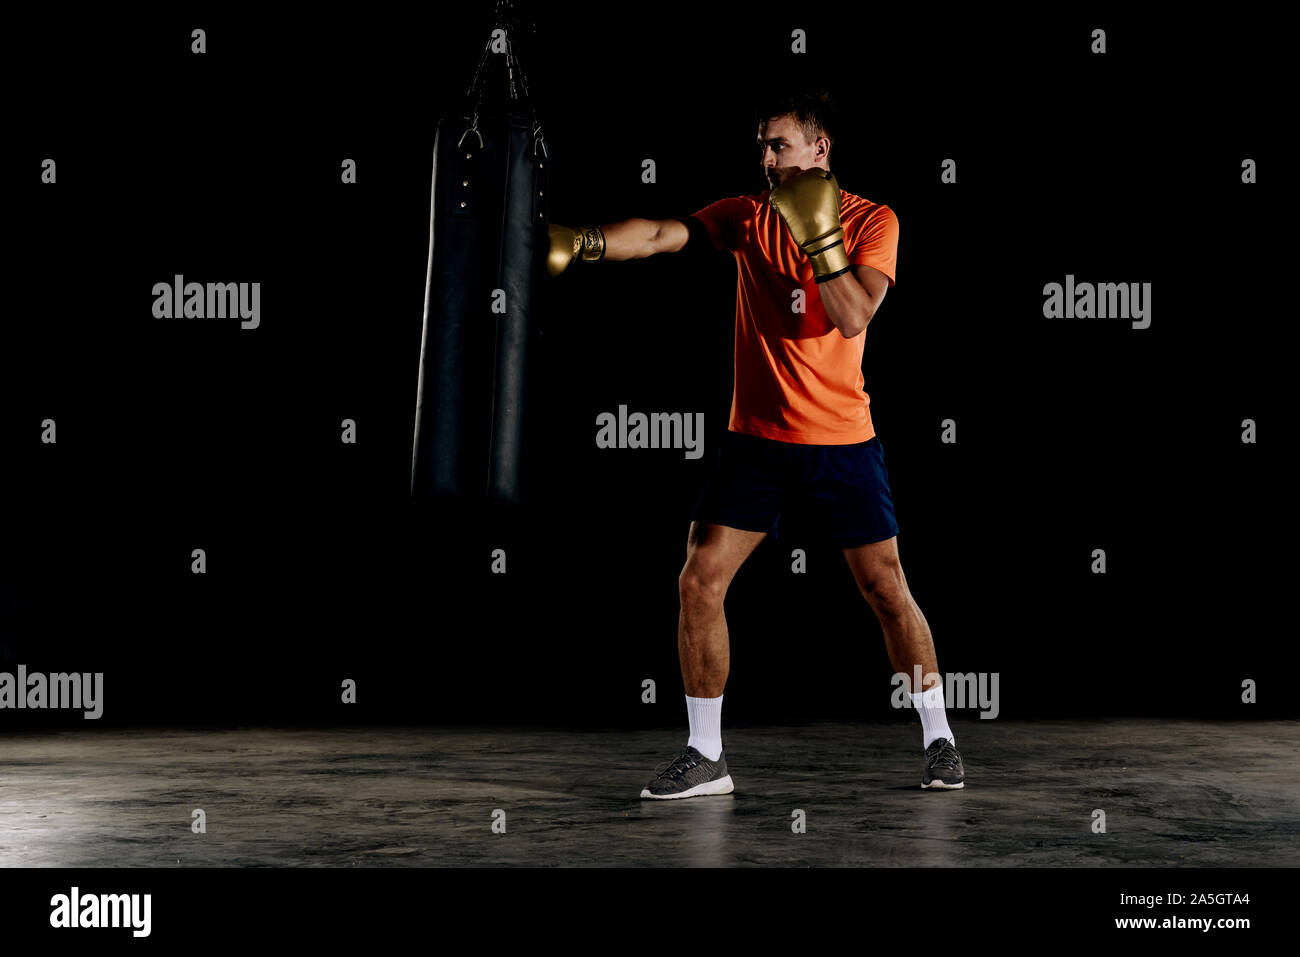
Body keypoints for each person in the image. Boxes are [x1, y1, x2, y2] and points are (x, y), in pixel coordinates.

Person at [547, 90, 965, 798]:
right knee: (698, 579)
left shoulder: (874, 220)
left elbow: (853, 312)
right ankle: (706, 754)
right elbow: (658, 234)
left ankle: (941, 738)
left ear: (819, 150)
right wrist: (580, 242)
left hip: (842, 441)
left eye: (779, 145)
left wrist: (819, 235)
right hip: (757, 441)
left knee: (887, 590)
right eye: (762, 147)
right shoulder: (748, 216)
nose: (767, 160)